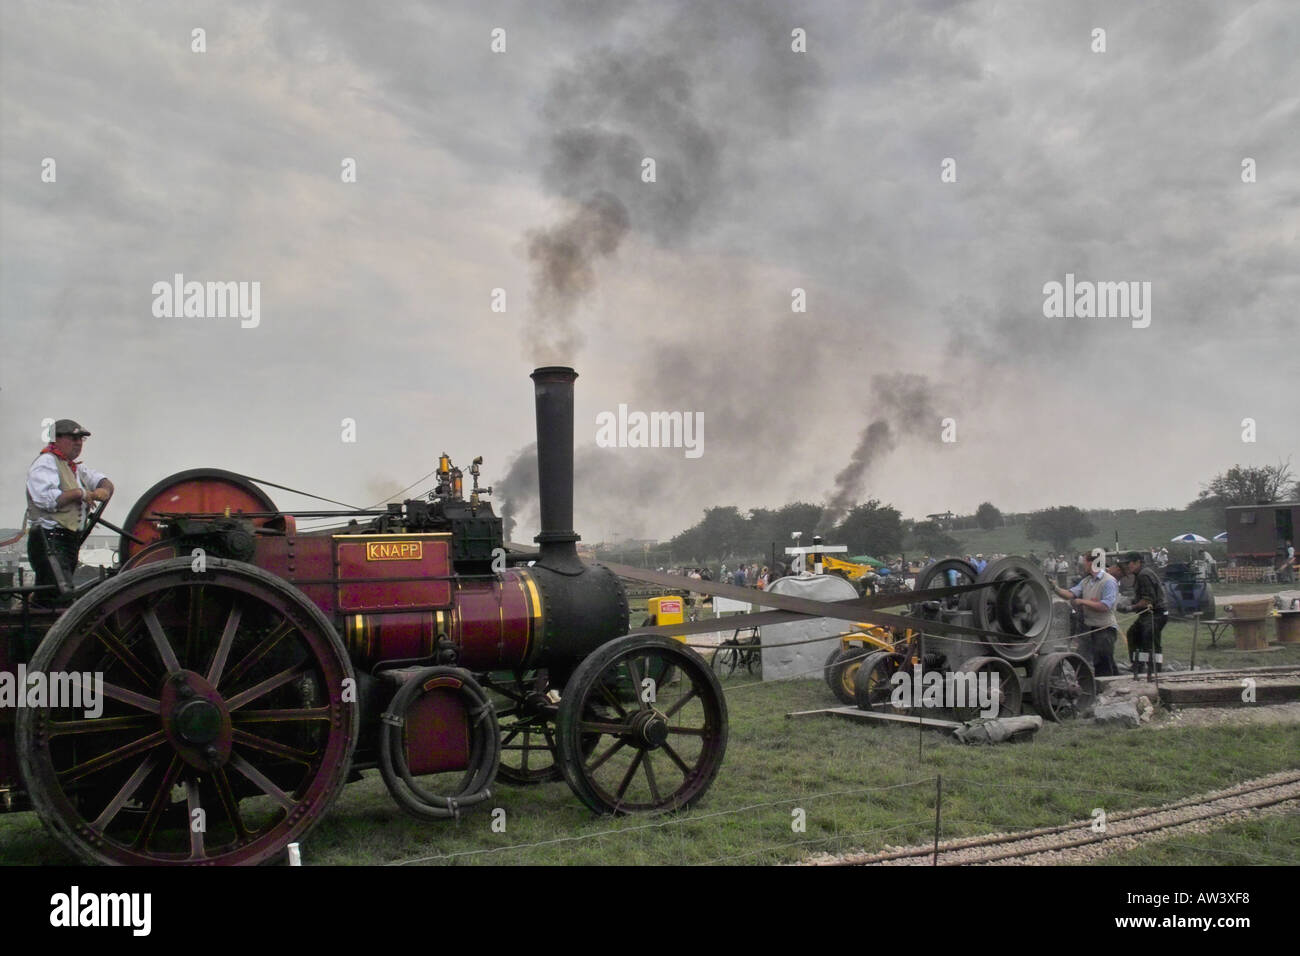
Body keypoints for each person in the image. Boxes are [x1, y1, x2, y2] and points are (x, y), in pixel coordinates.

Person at [25, 420, 113, 601]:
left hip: (67, 541)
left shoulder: (74, 467)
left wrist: (104, 489)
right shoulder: (46, 463)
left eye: (81, 439)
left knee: (55, 594)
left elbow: (101, 480)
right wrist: (80, 493)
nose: (78, 443)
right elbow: (46, 500)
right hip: (49, 540)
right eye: (73, 438)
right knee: (57, 596)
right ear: (56, 439)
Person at [1054, 551, 1119, 676]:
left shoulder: (1108, 581)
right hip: (1091, 628)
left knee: (1103, 663)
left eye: (1084, 562)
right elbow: (1070, 594)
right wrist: (1054, 587)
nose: (1083, 565)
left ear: (1092, 563)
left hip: (1105, 629)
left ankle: (1106, 688)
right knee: (1099, 660)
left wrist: (1083, 601)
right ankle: (1113, 685)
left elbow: (1105, 606)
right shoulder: (1087, 581)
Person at [1122, 550, 1167, 675]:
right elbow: (1142, 597)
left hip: (1156, 614)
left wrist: (1129, 608)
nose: (1127, 566)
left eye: (1129, 563)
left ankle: (1155, 670)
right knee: (1133, 634)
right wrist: (1130, 601)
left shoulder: (1143, 575)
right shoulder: (1141, 574)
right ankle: (1138, 665)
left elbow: (1148, 601)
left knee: (1150, 640)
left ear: (1137, 562)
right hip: (1148, 614)